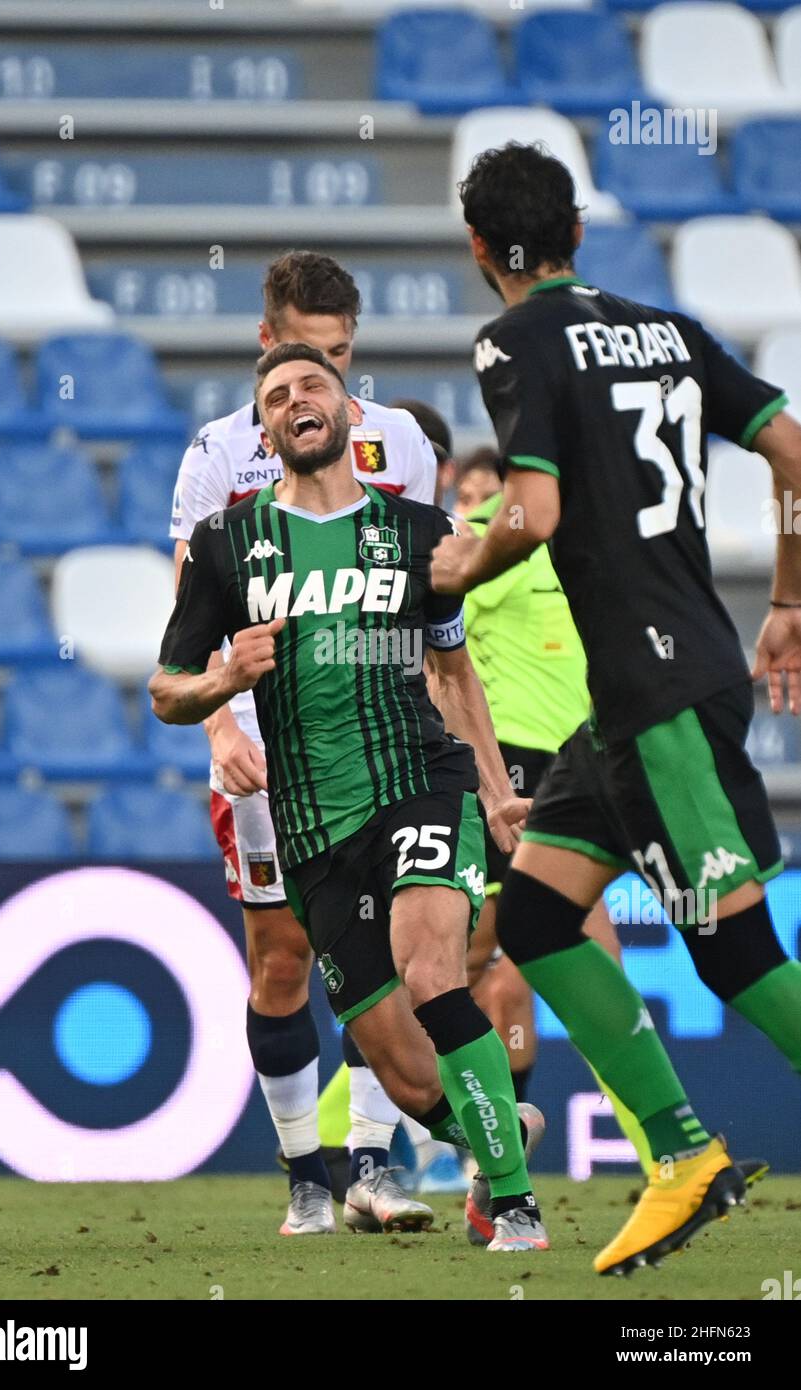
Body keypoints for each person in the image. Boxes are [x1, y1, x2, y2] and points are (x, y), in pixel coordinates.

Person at [430, 139, 801, 1276]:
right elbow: (789, 442)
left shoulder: (512, 337)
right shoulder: (667, 330)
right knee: (537, 919)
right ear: (578, 232)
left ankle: (684, 1156)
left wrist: (455, 565)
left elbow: (530, 510)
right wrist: (785, 596)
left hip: (660, 696)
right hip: (640, 692)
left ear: (481, 250)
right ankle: (683, 1154)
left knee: (733, 952)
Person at [151, 342, 547, 1253]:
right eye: (278, 394)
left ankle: (518, 1212)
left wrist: (492, 790)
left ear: (348, 414)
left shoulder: (419, 532)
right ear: (266, 429)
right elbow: (166, 687)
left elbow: (451, 670)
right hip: (311, 821)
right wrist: (219, 688)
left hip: (419, 779)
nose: (297, 399)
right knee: (407, 1077)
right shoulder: (226, 544)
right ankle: (494, 1139)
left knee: (430, 969)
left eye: (314, 386)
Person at [170, 251, 436, 1234]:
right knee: (283, 958)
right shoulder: (215, 454)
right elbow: (187, 606)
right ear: (263, 345)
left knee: (386, 950)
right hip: (265, 750)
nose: (320, 381)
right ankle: (306, 1175)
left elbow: (421, 593)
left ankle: (375, 1162)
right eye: (301, 355)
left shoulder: (401, 442)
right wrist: (218, 717)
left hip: (376, 746)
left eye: (339, 355)